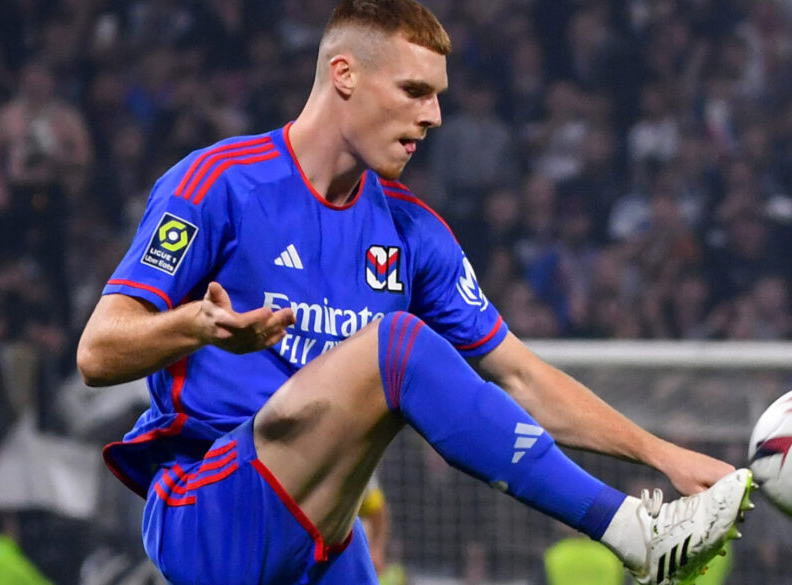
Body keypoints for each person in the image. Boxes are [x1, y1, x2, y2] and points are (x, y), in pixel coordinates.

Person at [76, 2, 754, 583]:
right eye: (413, 90)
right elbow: (98, 353)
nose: (432, 116)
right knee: (398, 346)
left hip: (327, 536)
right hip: (212, 507)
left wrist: (661, 454)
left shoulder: (412, 232)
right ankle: (633, 533)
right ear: (344, 75)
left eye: (438, 97)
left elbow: (519, 375)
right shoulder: (221, 182)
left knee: (399, 358)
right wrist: (196, 324)